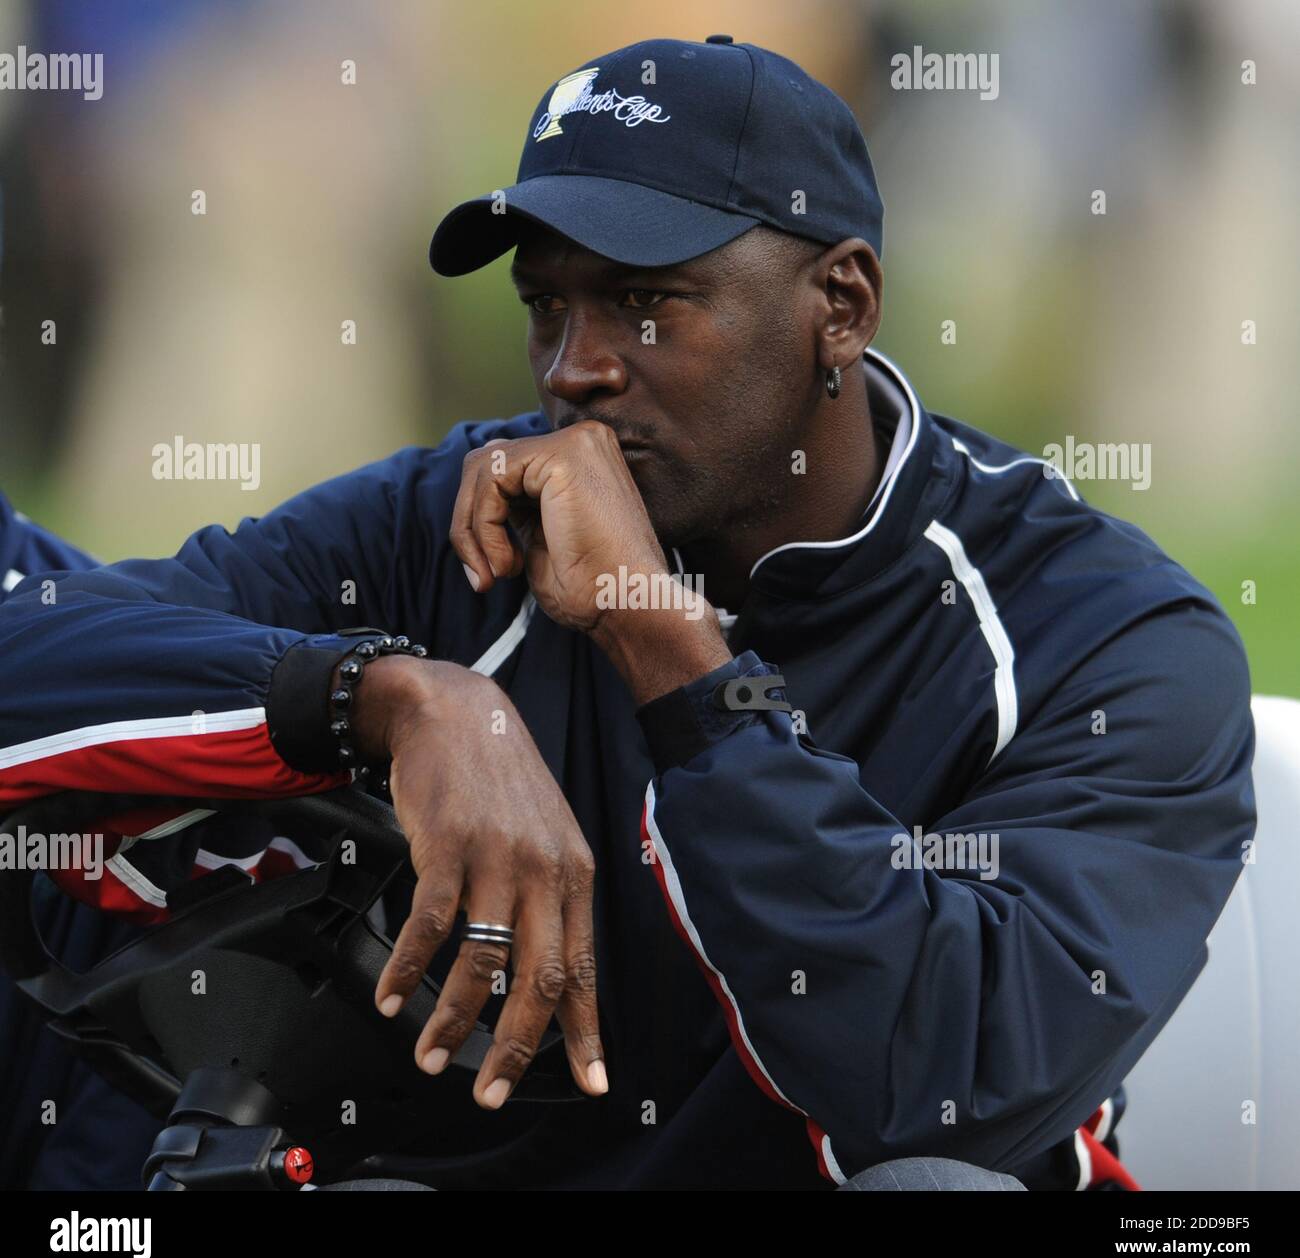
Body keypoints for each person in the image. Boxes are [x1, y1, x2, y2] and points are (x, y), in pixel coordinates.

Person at [0, 35, 1254, 1192]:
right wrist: (392, 698)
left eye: (646, 304)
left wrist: (663, 643)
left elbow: (939, 1095)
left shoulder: (1106, 635)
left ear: (843, 306)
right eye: (547, 304)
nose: (573, 368)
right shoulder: (457, 507)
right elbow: (44, 639)